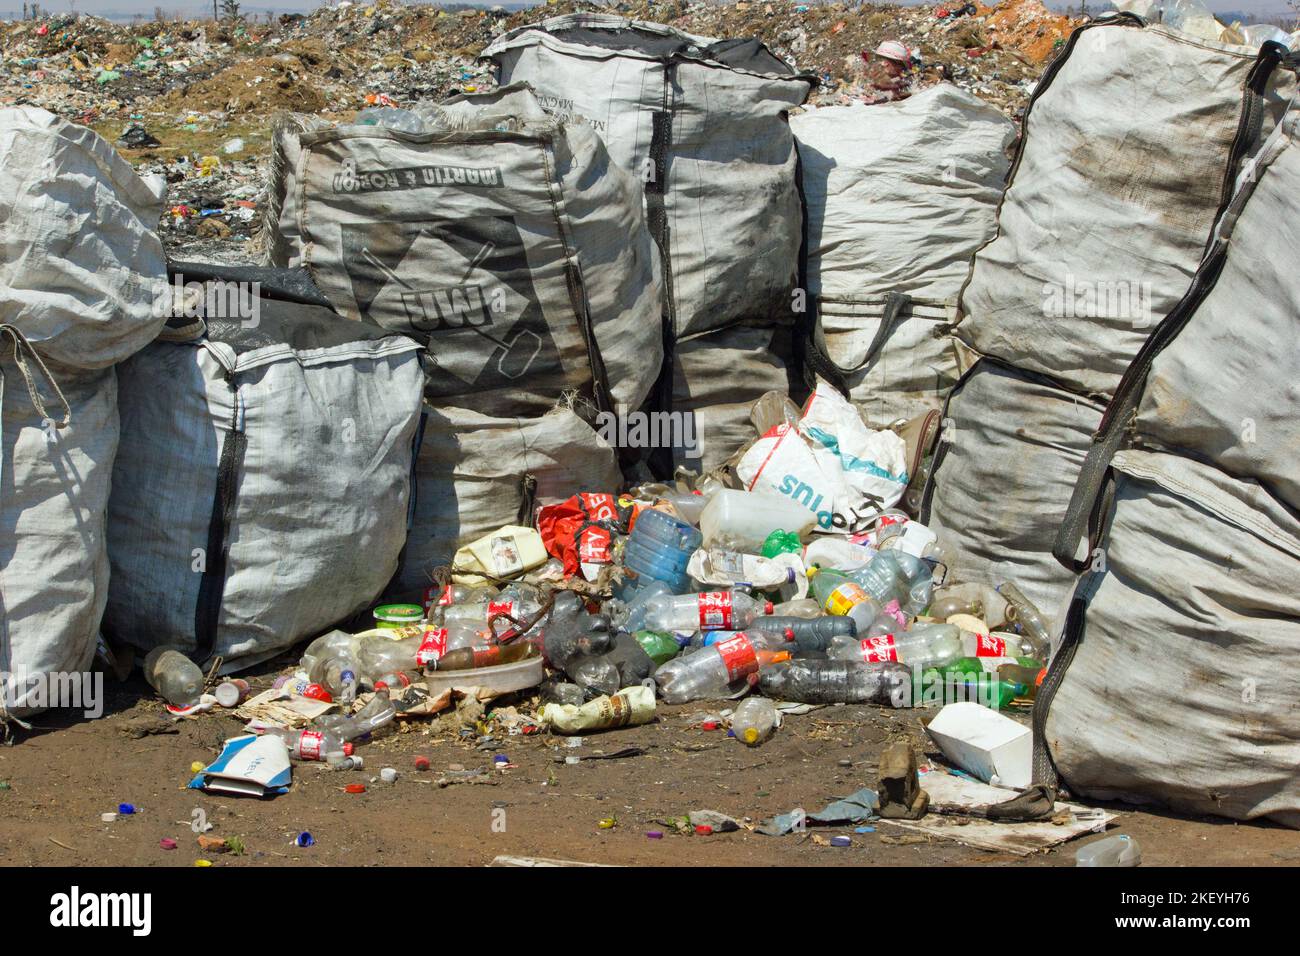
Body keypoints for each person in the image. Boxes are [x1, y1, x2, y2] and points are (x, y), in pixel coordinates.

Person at [859, 40, 918, 104]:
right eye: (880, 59)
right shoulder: (878, 76)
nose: (883, 64)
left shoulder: (907, 80)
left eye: (888, 60)